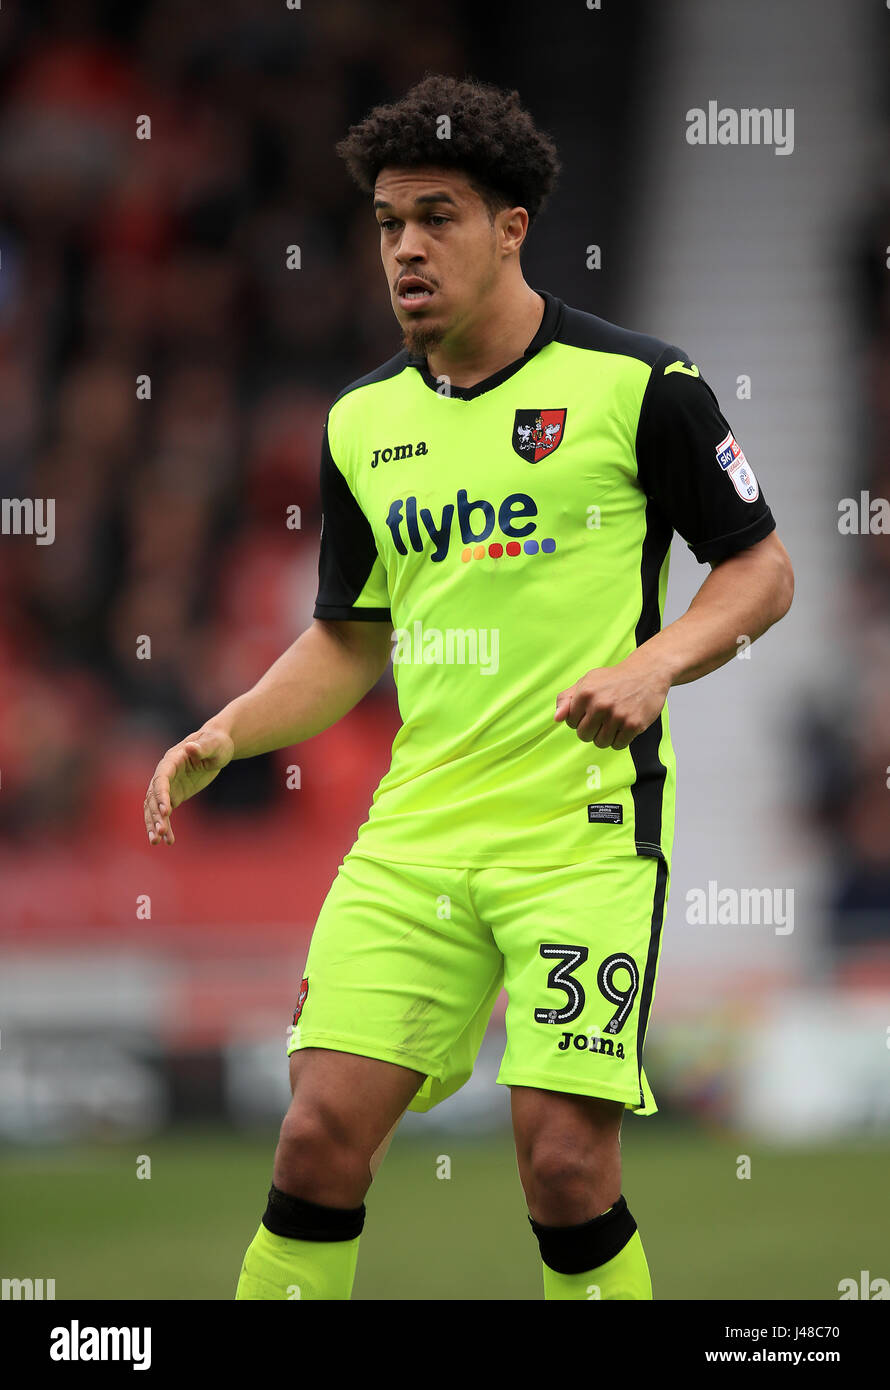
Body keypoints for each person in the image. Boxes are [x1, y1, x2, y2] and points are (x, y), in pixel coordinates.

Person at [143, 75, 794, 1301]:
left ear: (511, 228)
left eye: (435, 216)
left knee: (562, 1162)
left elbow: (759, 567)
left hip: (579, 838)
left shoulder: (641, 387)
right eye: (387, 224)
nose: (404, 248)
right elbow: (349, 638)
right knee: (314, 1136)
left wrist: (654, 665)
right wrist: (228, 729)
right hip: (417, 838)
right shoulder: (360, 425)